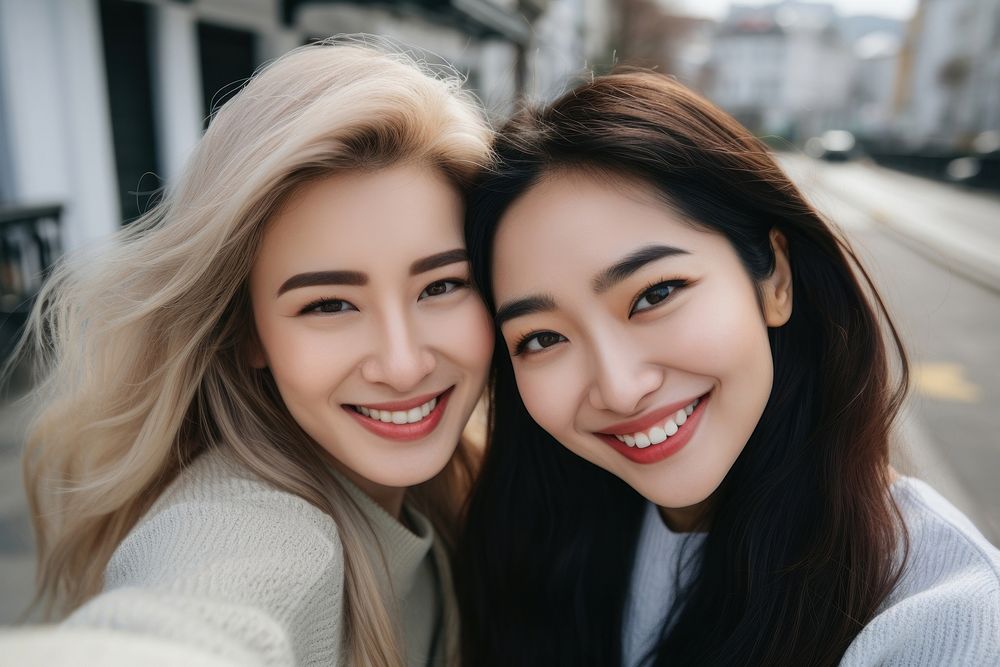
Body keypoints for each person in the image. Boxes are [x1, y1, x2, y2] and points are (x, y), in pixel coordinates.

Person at [457, 70, 1000, 666]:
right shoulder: (527, 542)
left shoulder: (943, 618)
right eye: (541, 338)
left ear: (776, 280)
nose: (620, 388)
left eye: (655, 294)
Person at [15, 40, 494, 666]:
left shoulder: (466, 491)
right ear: (248, 334)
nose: (403, 365)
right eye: (328, 304)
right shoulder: (247, 526)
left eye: (441, 286)